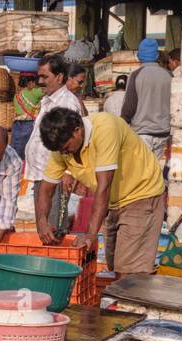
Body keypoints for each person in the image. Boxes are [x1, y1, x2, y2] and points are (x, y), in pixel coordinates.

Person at [36, 106, 165, 278]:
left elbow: (103, 187)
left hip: (141, 194)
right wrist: (42, 221)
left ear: (77, 131)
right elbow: (46, 188)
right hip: (112, 202)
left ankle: (131, 303)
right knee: (115, 264)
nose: (64, 153)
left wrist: (90, 235)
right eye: (60, 151)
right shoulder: (61, 146)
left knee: (129, 273)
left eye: (66, 147)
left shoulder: (105, 128)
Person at [24, 54, 83, 225]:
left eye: (45, 77)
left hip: (55, 175)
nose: (40, 81)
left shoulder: (67, 102)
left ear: (59, 77)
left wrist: (68, 172)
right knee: (44, 223)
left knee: (53, 225)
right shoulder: (47, 101)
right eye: (39, 77)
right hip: (41, 174)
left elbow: (73, 140)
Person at [122, 39, 172, 162]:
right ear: (156, 55)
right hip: (164, 133)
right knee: (157, 174)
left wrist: (123, 122)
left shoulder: (136, 75)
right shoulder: (169, 75)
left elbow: (129, 107)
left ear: (139, 56)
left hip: (142, 134)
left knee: (141, 173)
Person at [11, 73, 43, 157]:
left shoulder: (16, 95)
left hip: (16, 124)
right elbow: (48, 89)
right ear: (30, 82)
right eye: (35, 82)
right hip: (28, 124)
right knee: (25, 151)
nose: (36, 84)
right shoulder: (35, 93)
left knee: (14, 149)